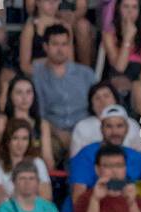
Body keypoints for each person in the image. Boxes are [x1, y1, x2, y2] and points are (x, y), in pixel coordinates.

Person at [31, 23, 97, 166]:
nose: (60, 49)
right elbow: (39, 114)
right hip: (53, 133)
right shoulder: (37, 77)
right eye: (55, 44)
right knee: (39, 155)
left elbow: (97, 108)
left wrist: (79, 134)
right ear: (45, 47)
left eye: (64, 44)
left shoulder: (86, 74)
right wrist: (58, 133)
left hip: (85, 132)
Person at [20, 0, 94, 75]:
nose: (52, 4)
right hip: (38, 75)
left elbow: (70, 61)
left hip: (61, 75)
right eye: (48, 1)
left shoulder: (65, 26)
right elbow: (24, 66)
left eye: (55, 1)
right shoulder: (30, 28)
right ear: (38, 2)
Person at [0, 118, 52, 206]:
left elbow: (46, 197)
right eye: (15, 138)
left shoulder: (37, 162)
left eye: (24, 139)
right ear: (7, 141)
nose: (20, 144)